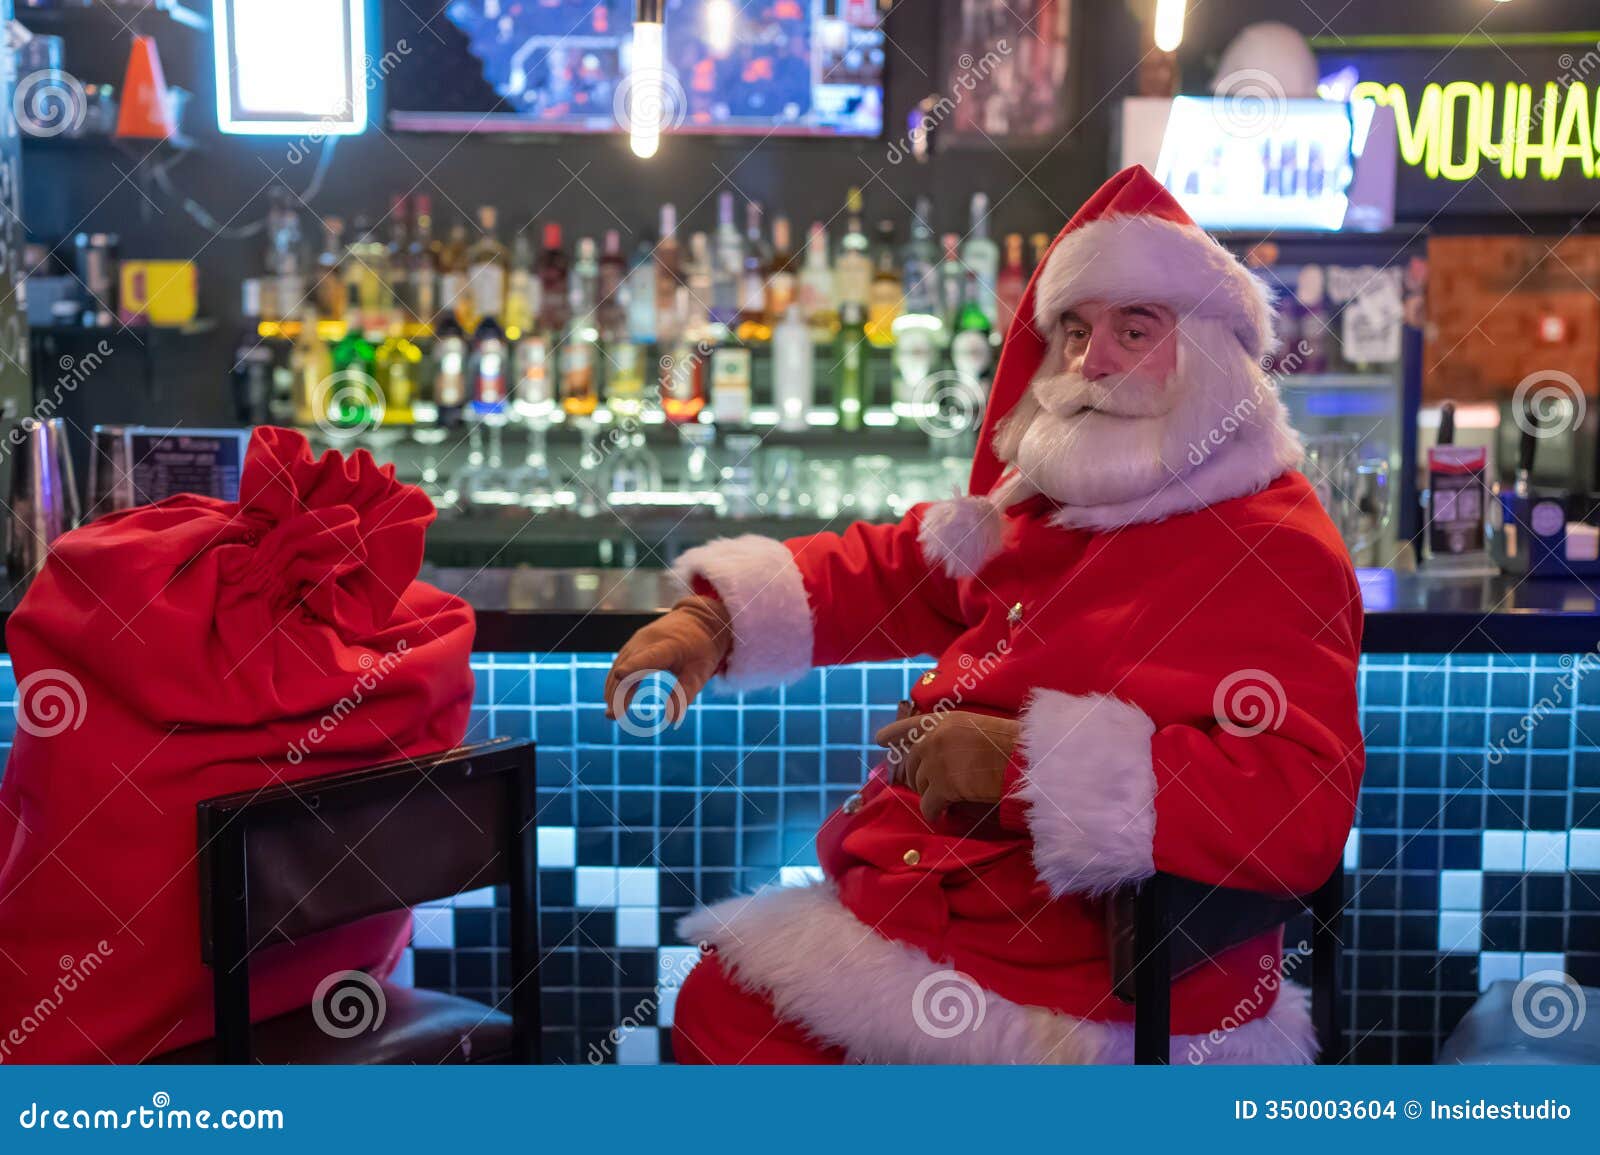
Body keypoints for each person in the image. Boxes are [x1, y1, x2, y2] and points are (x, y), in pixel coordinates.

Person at [606, 165, 1363, 1064]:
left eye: (1135, 329)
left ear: (1211, 353)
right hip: (940, 909)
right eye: (1076, 331)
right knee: (720, 1006)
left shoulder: (1274, 543)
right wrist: (718, 623)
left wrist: (1021, 764)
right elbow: (901, 570)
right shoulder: (1052, 498)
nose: (1095, 361)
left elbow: (1298, 811)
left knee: (737, 1028)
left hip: (1087, 981)